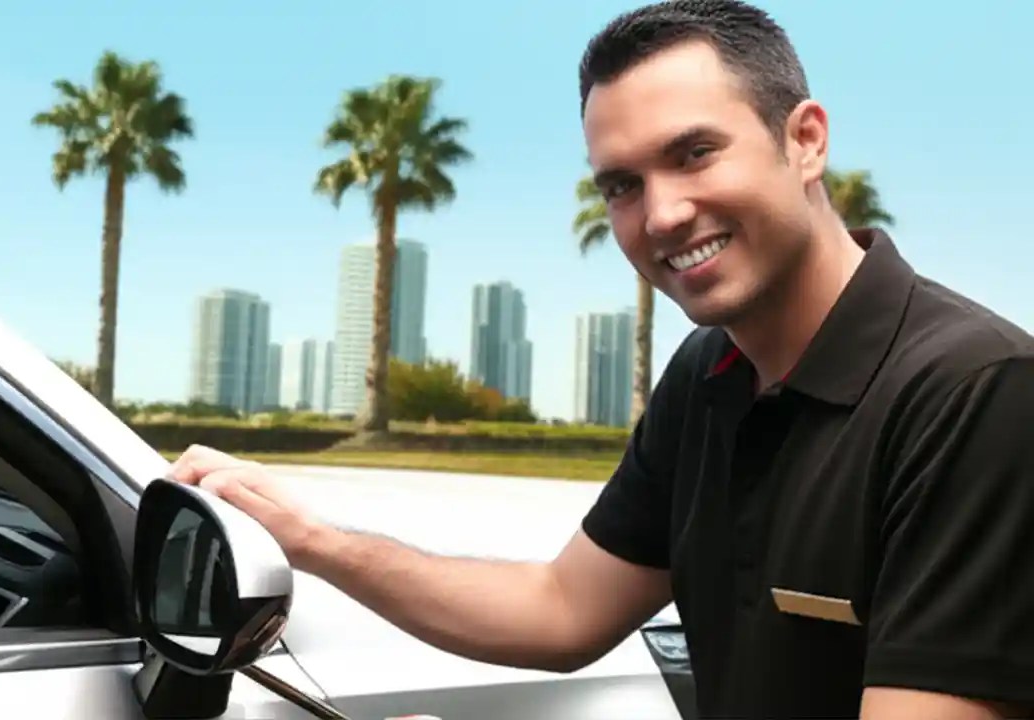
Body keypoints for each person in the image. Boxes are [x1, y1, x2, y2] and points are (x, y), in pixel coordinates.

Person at [170, 0, 1034, 716]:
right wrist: (315, 542)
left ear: (805, 139)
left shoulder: (976, 393)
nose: (660, 215)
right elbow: (563, 610)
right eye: (621, 185)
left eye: (694, 153)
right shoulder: (708, 376)